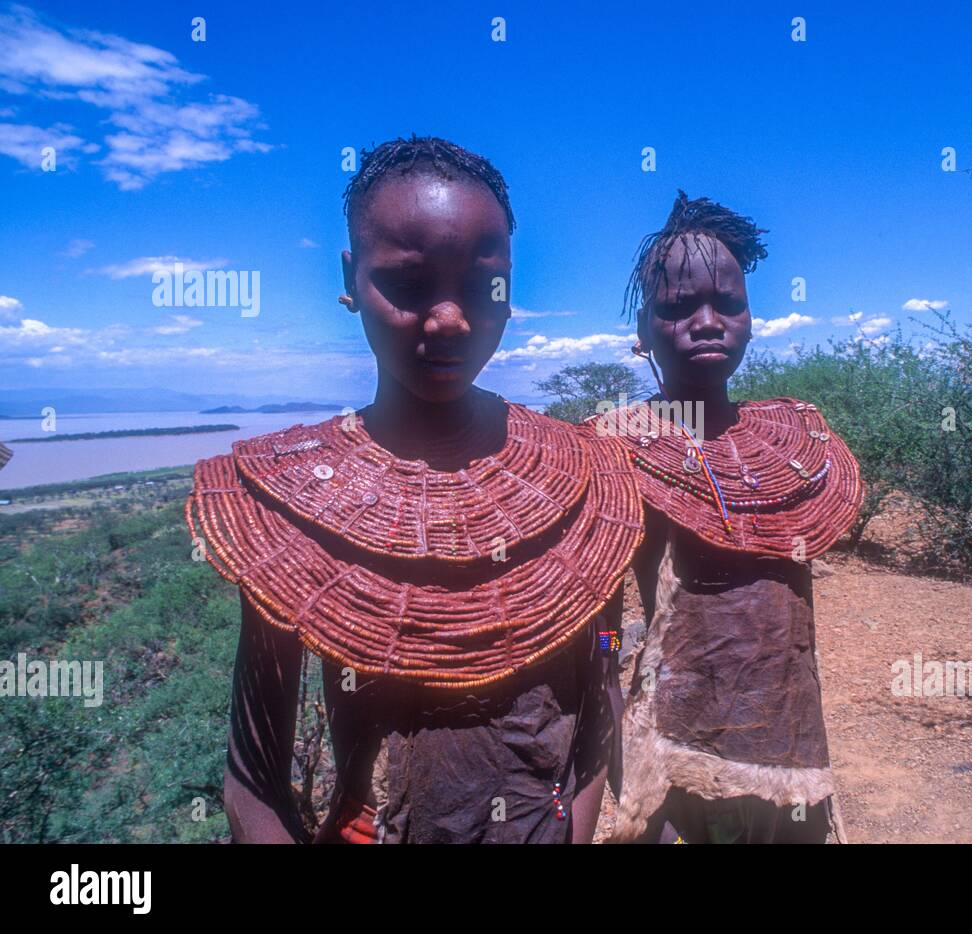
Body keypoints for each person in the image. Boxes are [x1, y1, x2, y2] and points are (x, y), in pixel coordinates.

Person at [187, 135, 642, 843]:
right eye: (407, 282)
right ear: (350, 278)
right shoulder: (288, 509)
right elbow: (253, 780)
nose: (450, 317)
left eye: (482, 284)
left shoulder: (591, 482)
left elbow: (594, 707)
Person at [596, 191, 862, 843]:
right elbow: (598, 626)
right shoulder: (620, 448)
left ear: (749, 318)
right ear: (644, 331)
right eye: (678, 307)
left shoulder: (795, 441)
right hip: (674, 751)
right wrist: (608, 714)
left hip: (790, 744)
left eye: (728, 303)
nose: (706, 321)